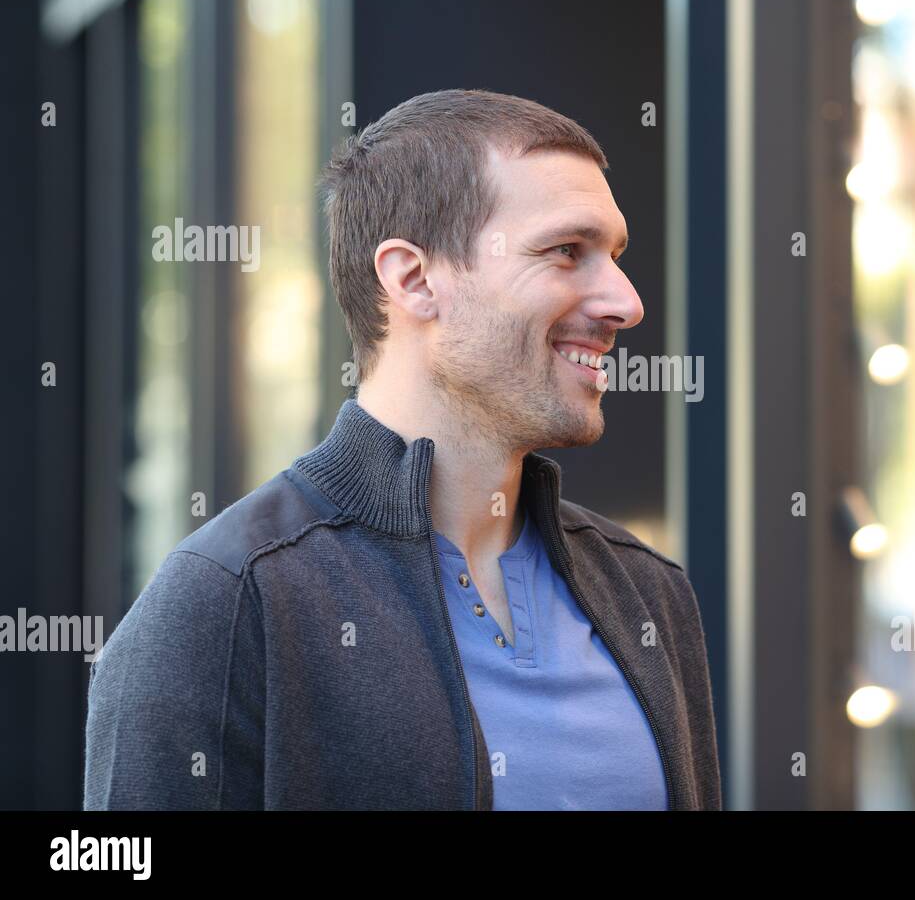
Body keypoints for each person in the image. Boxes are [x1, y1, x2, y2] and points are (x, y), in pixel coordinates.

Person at [83, 89, 722, 810]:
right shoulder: (228, 599)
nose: (626, 302)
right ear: (414, 279)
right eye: (567, 251)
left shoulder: (647, 590)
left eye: (614, 255)